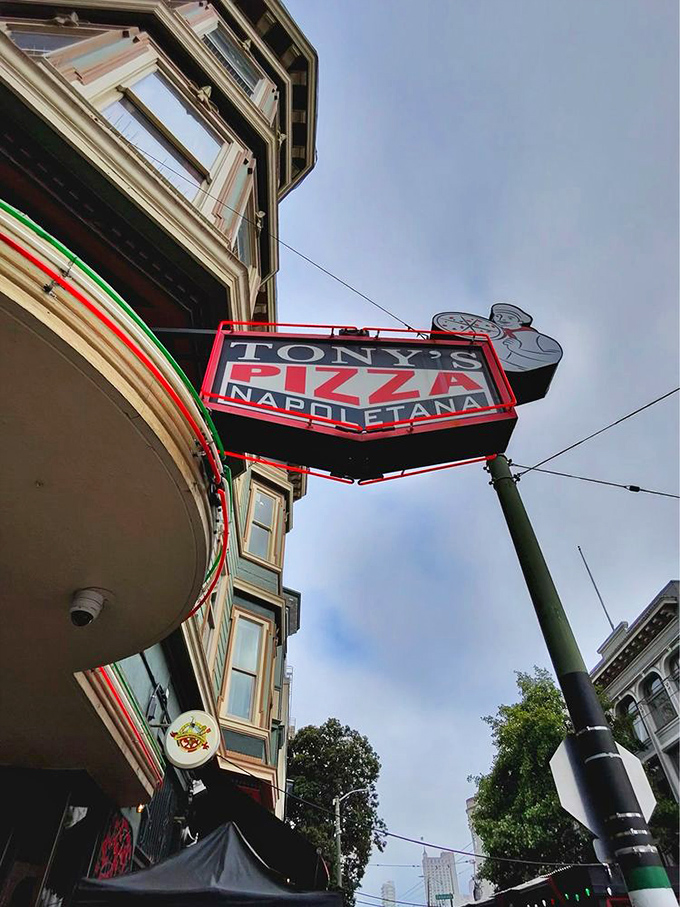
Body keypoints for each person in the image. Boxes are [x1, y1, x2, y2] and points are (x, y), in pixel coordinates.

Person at [489, 302, 562, 372]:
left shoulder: (535, 337)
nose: (502, 319)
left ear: (520, 321)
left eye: (510, 318)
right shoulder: (491, 332)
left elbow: (553, 356)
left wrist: (518, 350)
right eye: (498, 316)